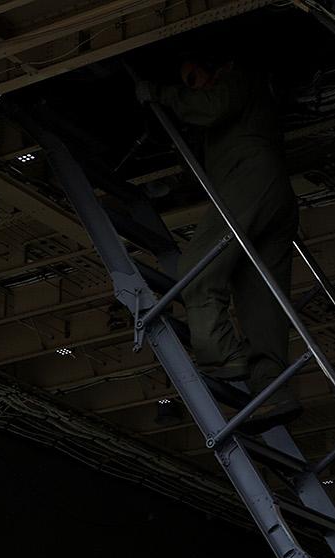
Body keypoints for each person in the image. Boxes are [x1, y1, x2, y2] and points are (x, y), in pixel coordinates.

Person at [135, 52, 301, 428]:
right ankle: (274, 393)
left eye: (193, 78)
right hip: (273, 192)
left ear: (214, 65)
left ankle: (223, 356)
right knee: (262, 303)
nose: (190, 88)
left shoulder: (236, 75)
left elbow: (210, 108)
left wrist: (160, 94)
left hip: (250, 180)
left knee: (197, 269)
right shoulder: (252, 97)